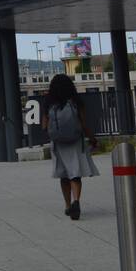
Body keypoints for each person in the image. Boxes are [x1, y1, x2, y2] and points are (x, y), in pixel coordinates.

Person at [42, 74, 99, 220]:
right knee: (75, 173)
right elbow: (84, 124)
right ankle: (76, 201)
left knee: (64, 175)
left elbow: (44, 126)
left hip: (58, 143)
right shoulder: (76, 102)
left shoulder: (49, 102)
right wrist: (92, 139)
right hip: (75, 141)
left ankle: (67, 206)